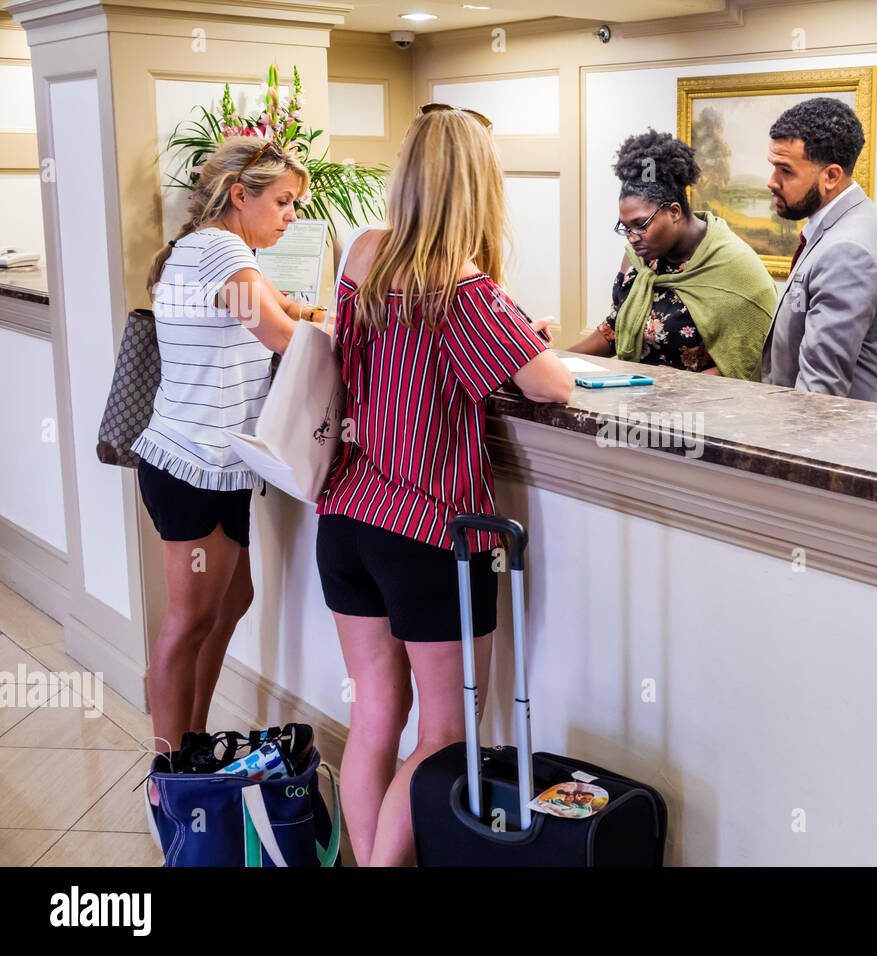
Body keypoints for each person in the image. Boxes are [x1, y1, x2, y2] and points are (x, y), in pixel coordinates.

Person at [313, 104, 573, 867]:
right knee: (444, 734)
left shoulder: (364, 254)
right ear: (479, 187)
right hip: (428, 533)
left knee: (375, 719)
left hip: (347, 517)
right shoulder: (465, 290)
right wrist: (526, 336)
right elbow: (551, 387)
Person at [136, 136, 318, 809]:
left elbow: (283, 312)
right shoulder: (220, 249)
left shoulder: (216, 251)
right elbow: (278, 334)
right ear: (240, 195)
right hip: (192, 466)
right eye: (283, 201)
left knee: (229, 602)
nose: (291, 215)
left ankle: (191, 745)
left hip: (214, 466)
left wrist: (310, 314)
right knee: (189, 620)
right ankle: (167, 780)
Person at [568, 129, 776, 379]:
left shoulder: (737, 269)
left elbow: (746, 364)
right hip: (634, 403)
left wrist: (677, 386)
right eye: (625, 227)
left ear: (675, 211)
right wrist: (555, 360)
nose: (632, 237)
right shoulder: (639, 260)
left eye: (641, 225)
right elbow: (614, 329)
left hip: (702, 412)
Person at [760, 97, 877, 401]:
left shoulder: (847, 251)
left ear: (831, 176)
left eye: (785, 170)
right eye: (773, 167)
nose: (771, 182)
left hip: (835, 439)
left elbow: (820, 391)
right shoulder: (873, 223)